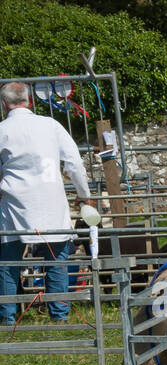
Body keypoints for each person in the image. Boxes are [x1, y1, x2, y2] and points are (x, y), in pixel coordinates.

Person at [0, 82, 96, 325]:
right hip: (51, 204)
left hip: (13, 207)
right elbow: (73, 163)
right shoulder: (51, 125)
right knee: (56, 262)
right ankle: (59, 317)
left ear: (4, 104)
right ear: (30, 101)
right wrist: (84, 194)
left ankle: (8, 319)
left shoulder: (2, 130)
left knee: (8, 264)